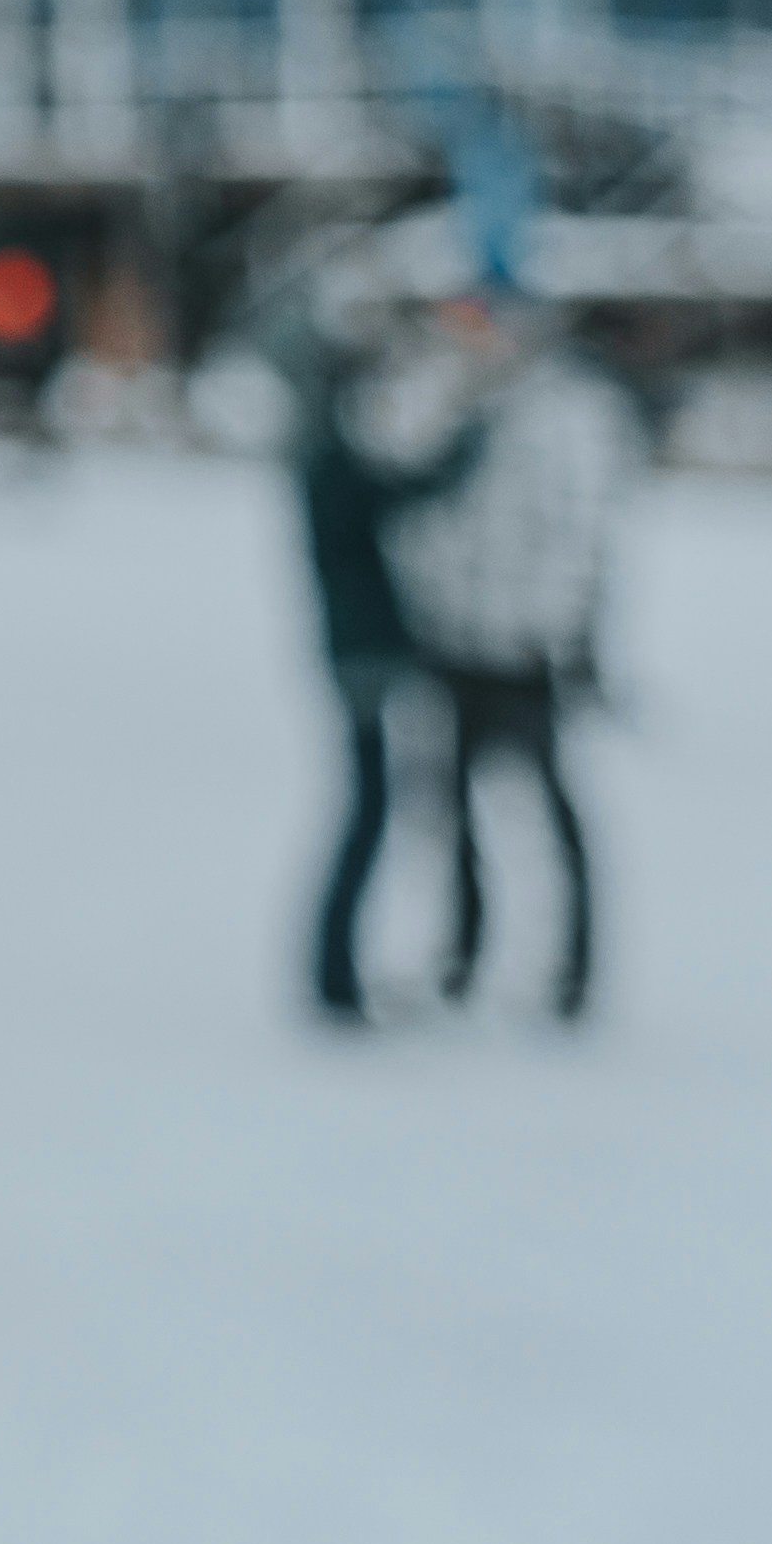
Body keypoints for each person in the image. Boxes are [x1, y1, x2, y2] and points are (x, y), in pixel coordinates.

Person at [384, 305, 636, 1023]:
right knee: (453, 811)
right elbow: (421, 513)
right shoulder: (451, 399)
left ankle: (574, 967)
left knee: (550, 812)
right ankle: (462, 953)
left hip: (525, 651)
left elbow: (582, 536)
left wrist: (557, 632)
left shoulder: (567, 414)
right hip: (454, 641)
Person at [269, 282, 491, 1027]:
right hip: (363, 655)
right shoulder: (333, 464)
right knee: (367, 813)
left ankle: (338, 973)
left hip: (358, 651)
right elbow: (412, 492)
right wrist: (471, 438)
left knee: (371, 810)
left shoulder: (321, 457)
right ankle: (334, 977)